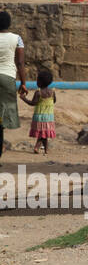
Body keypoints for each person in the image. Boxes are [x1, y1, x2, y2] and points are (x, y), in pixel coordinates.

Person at [0, 11, 28, 159]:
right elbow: (20, 63)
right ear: (9, 24)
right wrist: (23, 83)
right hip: (7, 78)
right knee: (4, 115)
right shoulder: (17, 39)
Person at [19, 69, 55, 154]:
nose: (36, 81)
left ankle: (37, 147)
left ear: (40, 82)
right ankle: (45, 149)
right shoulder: (52, 92)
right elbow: (54, 101)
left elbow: (32, 103)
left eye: (37, 80)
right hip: (49, 116)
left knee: (42, 133)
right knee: (44, 134)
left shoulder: (38, 92)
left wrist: (23, 98)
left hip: (39, 116)